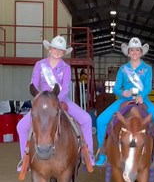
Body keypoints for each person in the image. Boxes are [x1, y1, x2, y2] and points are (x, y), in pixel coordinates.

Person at [16, 35, 95, 171]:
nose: (58, 52)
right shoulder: (39, 65)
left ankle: (88, 153)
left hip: (61, 100)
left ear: (64, 53)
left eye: (61, 50)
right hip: (43, 101)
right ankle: (25, 158)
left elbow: (65, 88)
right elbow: (34, 83)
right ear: (50, 49)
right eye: (55, 49)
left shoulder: (66, 67)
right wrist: (39, 97)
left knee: (86, 119)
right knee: (21, 127)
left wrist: (56, 99)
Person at [95, 37, 154, 168]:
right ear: (128, 53)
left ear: (141, 52)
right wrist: (122, 93)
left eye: (137, 50)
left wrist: (141, 96)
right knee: (101, 120)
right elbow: (116, 88)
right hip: (124, 100)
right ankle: (103, 153)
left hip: (143, 99)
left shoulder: (147, 68)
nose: (134, 52)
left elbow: (148, 86)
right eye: (132, 50)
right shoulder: (123, 69)